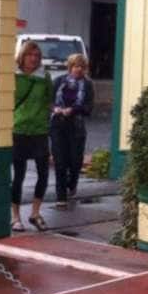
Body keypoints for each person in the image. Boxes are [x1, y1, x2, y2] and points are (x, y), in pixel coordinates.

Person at [9, 40, 52, 232]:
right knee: (18, 174)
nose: (33, 59)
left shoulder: (45, 77)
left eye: (36, 56)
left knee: (43, 172)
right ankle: (15, 216)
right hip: (18, 129)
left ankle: (35, 213)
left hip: (39, 130)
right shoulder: (13, 76)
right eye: (29, 55)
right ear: (22, 56)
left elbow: (49, 100)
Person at [51, 53, 95, 209]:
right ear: (70, 67)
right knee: (60, 162)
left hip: (77, 127)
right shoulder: (59, 82)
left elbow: (89, 108)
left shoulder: (88, 85)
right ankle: (61, 196)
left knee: (75, 161)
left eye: (82, 67)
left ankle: (72, 184)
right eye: (76, 66)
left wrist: (74, 110)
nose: (79, 69)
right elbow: (48, 101)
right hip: (58, 125)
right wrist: (55, 109)